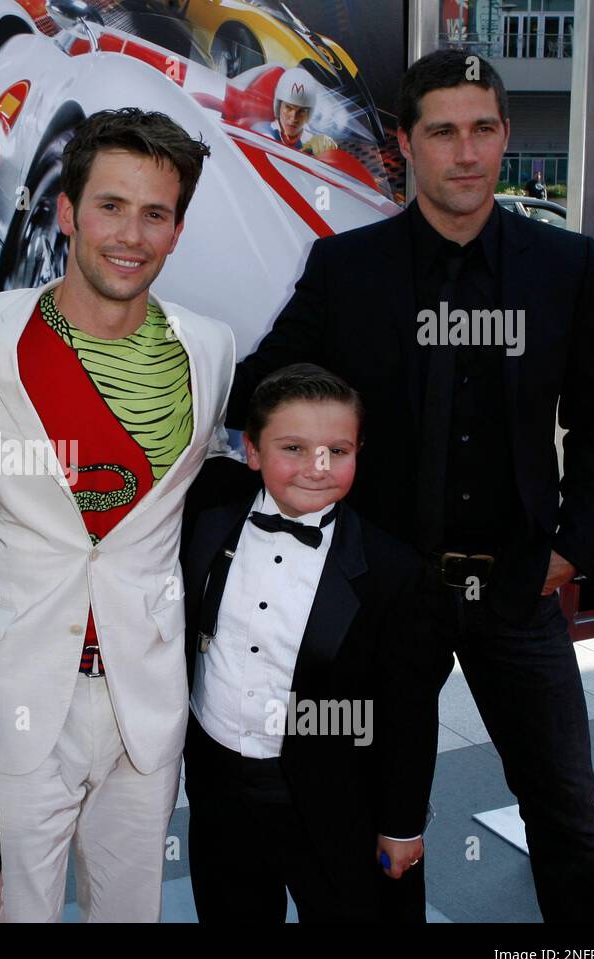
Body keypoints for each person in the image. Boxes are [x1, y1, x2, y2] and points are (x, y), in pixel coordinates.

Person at [226, 49, 594, 922]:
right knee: (383, 823)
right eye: (443, 132)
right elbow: (257, 390)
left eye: (484, 129)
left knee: (568, 815)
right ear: (406, 144)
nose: (467, 152)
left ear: (507, 138)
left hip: (518, 587)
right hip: (383, 593)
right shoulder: (346, 270)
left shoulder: (564, 265)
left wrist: (573, 545)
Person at [0, 107, 235, 922]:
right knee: (13, 912)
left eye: (155, 213)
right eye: (110, 205)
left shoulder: (213, 349)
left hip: (145, 688)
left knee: (131, 910)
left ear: (177, 230)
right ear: (66, 213)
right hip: (15, 682)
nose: (129, 234)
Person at [181, 364, 432, 922]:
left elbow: (409, 712)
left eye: (337, 451)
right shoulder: (206, 515)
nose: (316, 468)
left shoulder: (394, 571)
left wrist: (402, 825)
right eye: (292, 447)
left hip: (335, 801)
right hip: (219, 788)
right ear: (250, 451)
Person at [260, 66, 337, 156]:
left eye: (302, 111)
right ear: (279, 106)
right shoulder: (262, 132)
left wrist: (329, 148)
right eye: (288, 107)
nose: (294, 118)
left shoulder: (312, 140)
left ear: (309, 114)